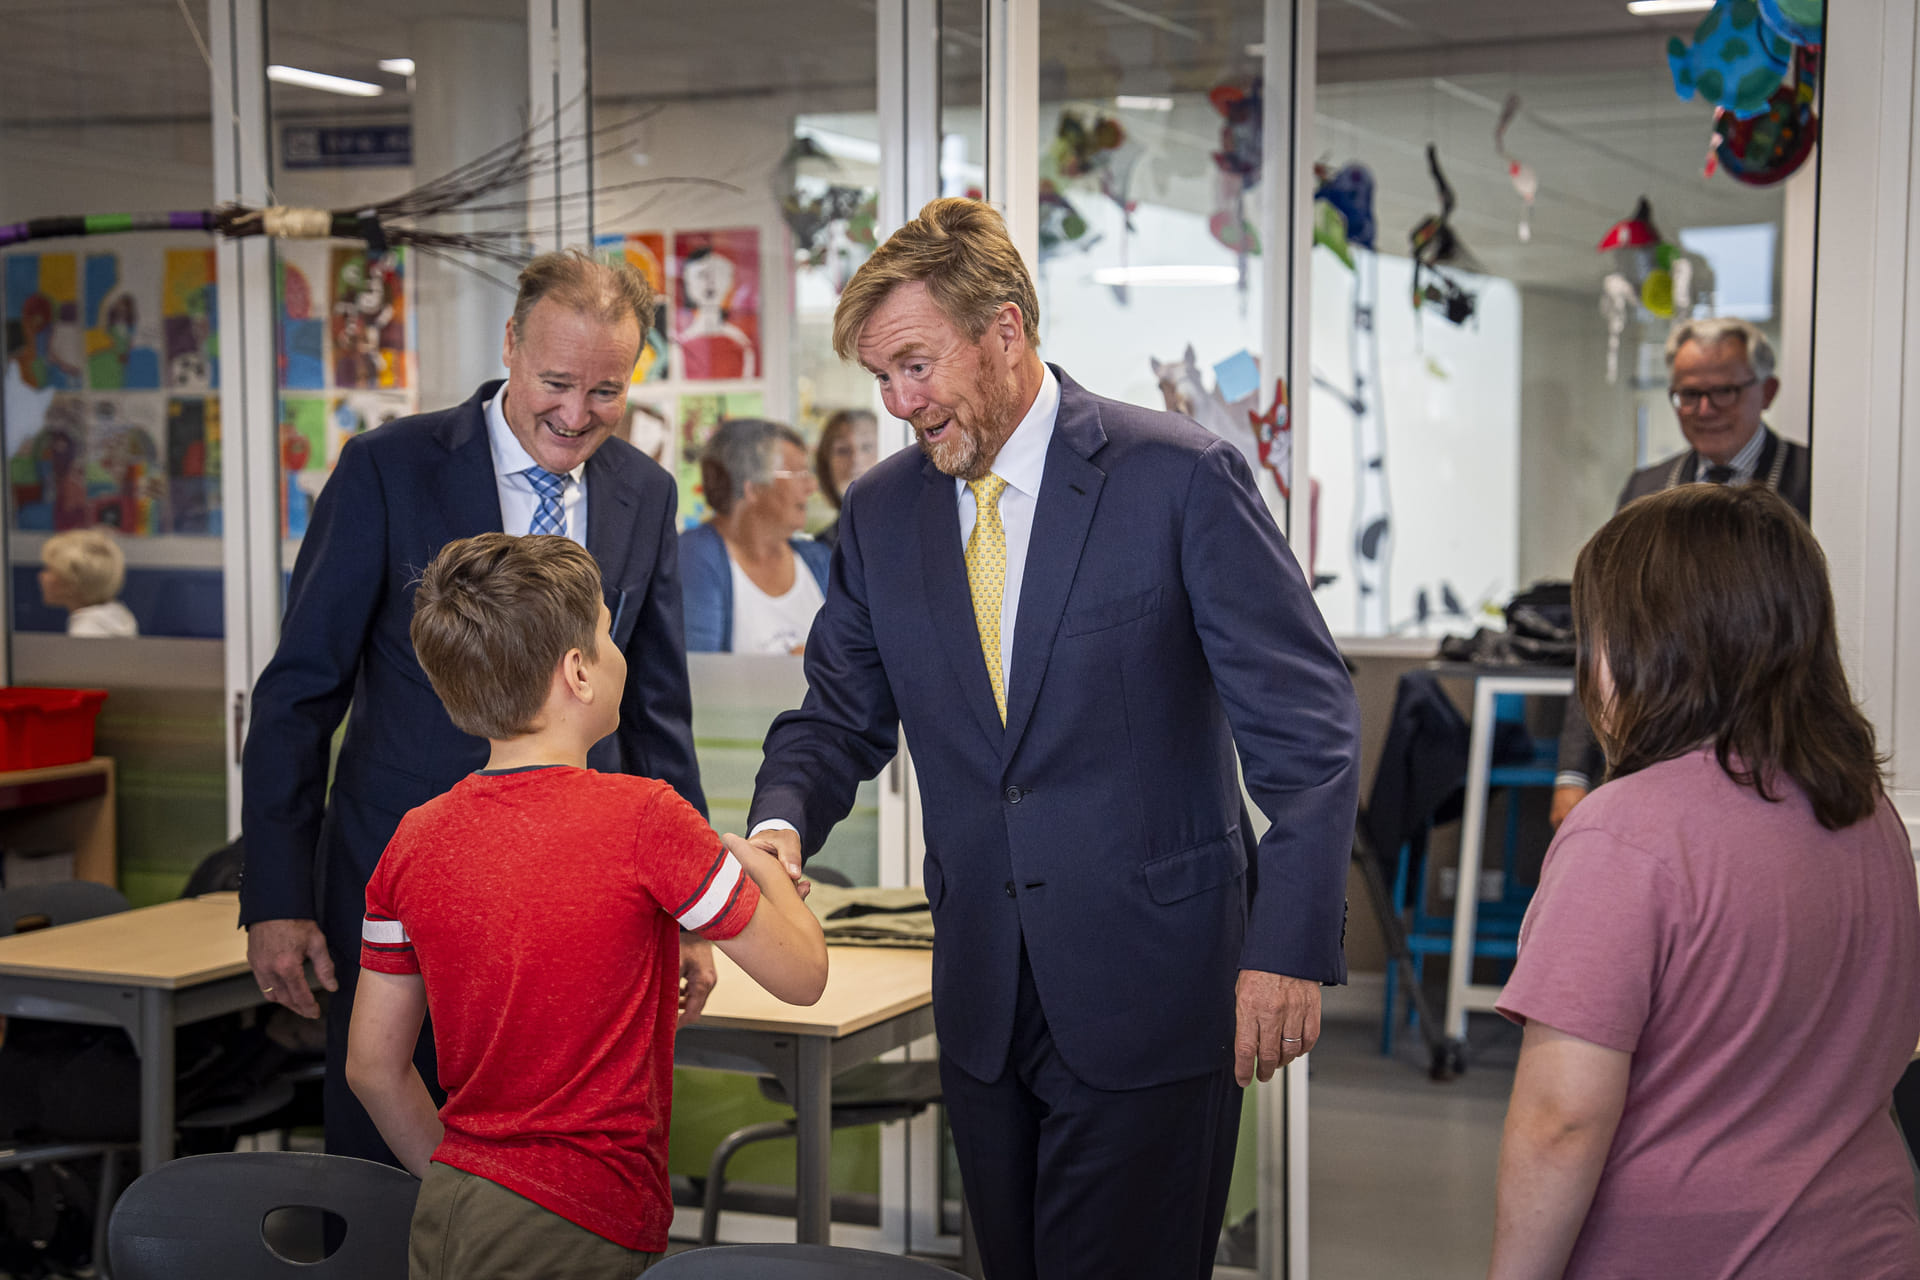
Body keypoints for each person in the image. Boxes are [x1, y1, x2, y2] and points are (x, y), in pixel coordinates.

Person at [744, 197, 1361, 1279]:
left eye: (917, 365)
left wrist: (1288, 943)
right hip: (984, 996)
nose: (899, 402)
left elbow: (1306, 731)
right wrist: (780, 823)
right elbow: (837, 709)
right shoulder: (884, 513)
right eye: (881, 378)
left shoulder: (1177, 478)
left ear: (1008, 328)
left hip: (1157, 984)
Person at [240, 249, 708, 1164]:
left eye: (607, 391)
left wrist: (682, 907)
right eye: (557, 382)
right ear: (511, 347)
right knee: (387, 1167)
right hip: (402, 889)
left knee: (553, 1166)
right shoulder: (388, 468)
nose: (576, 416)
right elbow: (299, 694)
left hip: (583, 905)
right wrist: (279, 895)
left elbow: (658, 715)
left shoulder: (643, 493)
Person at [347, 533, 825, 1280]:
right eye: (606, 633)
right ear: (578, 671)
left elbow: (374, 1068)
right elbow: (803, 976)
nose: (615, 650)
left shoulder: (413, 838)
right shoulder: (648, 819)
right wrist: (760, 865)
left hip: (449, 1209)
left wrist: (457, 1171)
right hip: (582, 1220)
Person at [1489, 485, 1920, 1280]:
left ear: (1656, 646)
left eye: (1600, 636)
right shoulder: (1869, 815)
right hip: (1869, 1245)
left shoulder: (1623, 833)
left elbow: (1563, 1121)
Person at [1552, 316, 1809, 827]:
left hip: (1780, 759)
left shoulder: (1812, 482)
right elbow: (1607, 632)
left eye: (1724, 392)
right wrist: (1572, 774)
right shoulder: (1646, 488)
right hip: (1657, 759)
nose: (1704, 410)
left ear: (1769, 390)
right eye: (1688, 395)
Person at [679, 418, 830, 654]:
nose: (811, 486)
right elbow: (697, 677)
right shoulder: (694, 558)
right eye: (798, 474)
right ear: (753, 488)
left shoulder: (819, 560)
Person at [38, 528, 137, 637]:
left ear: (72, 583)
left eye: (50, 570)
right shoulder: (116, 616)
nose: (42, 576)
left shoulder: (85, 634)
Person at [812, 407, 879, 549]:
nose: (856, 459)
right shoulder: (822, 548)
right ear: (826, 463)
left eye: (867, 447)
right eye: (843, 450)